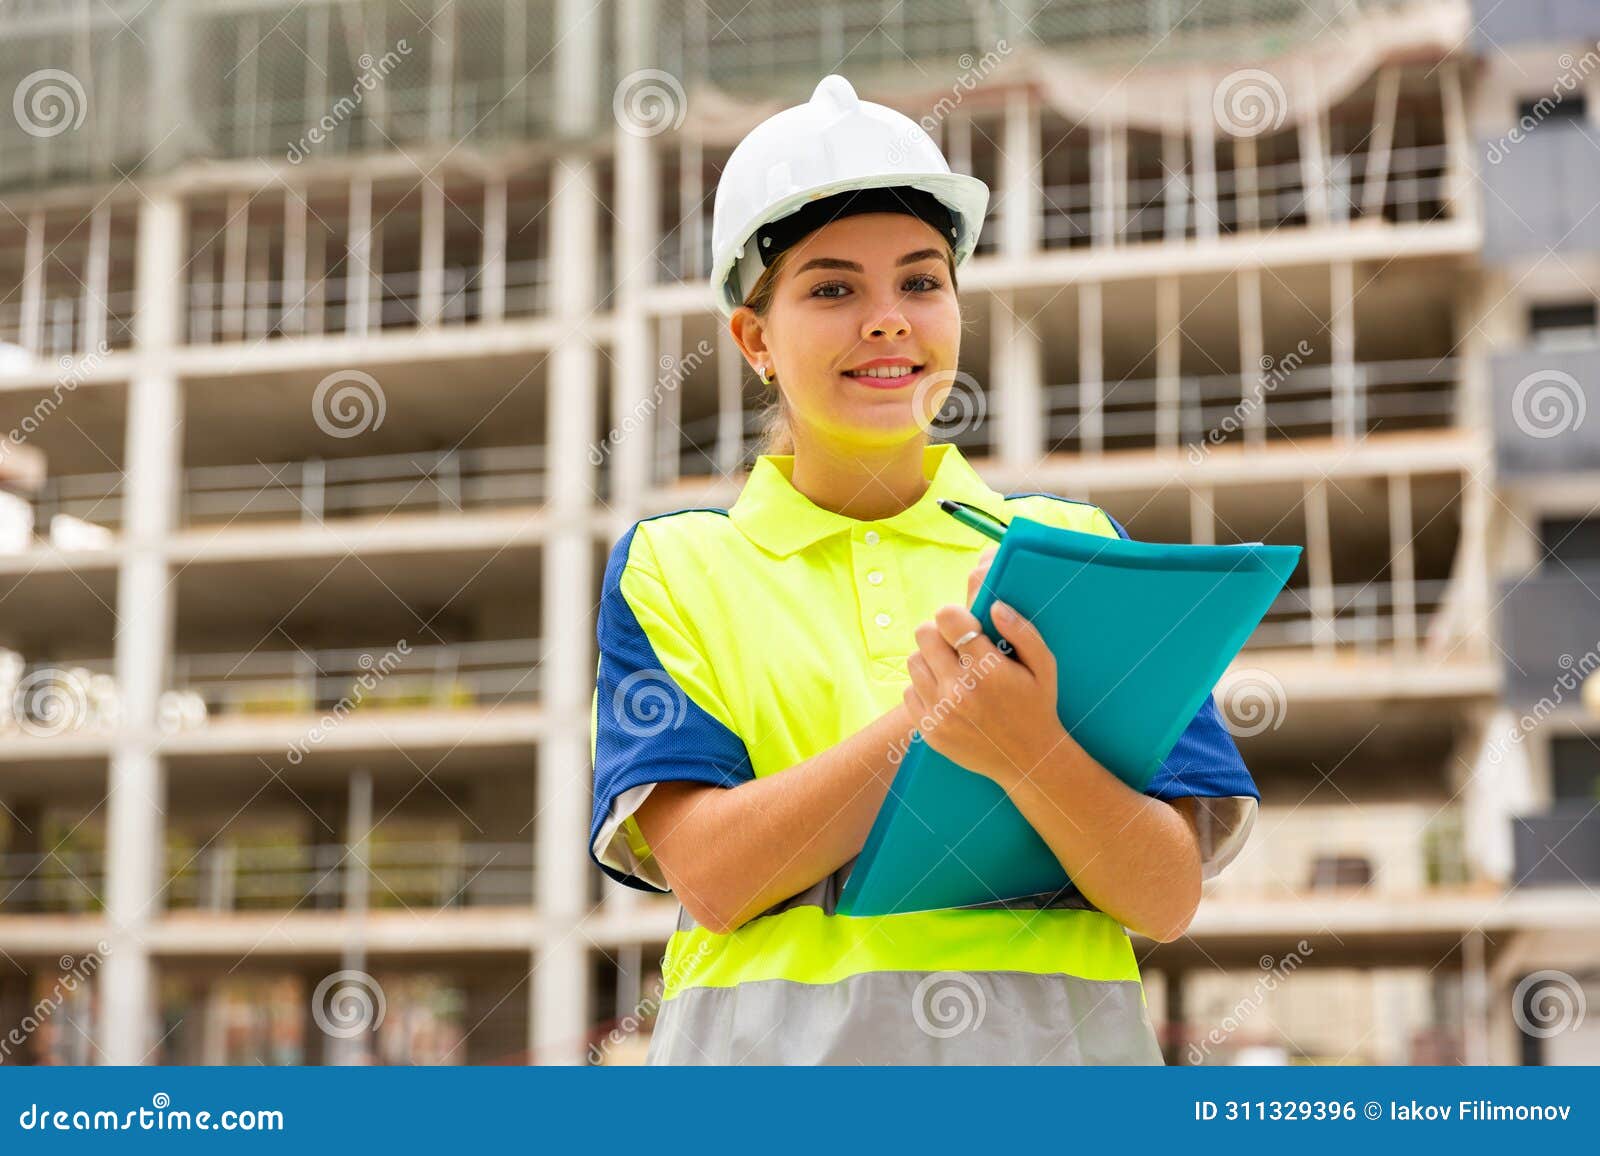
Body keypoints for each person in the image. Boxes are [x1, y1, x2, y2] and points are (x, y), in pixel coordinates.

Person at [589, 74, 1258, 1065]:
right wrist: (940, 723)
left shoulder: (1078, 550)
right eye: (830, 288)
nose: (888, 318)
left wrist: (1030, 747)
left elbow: (1163, 895)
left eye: (919, 280)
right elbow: (715, 876)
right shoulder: (676, 567)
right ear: (754, 339)